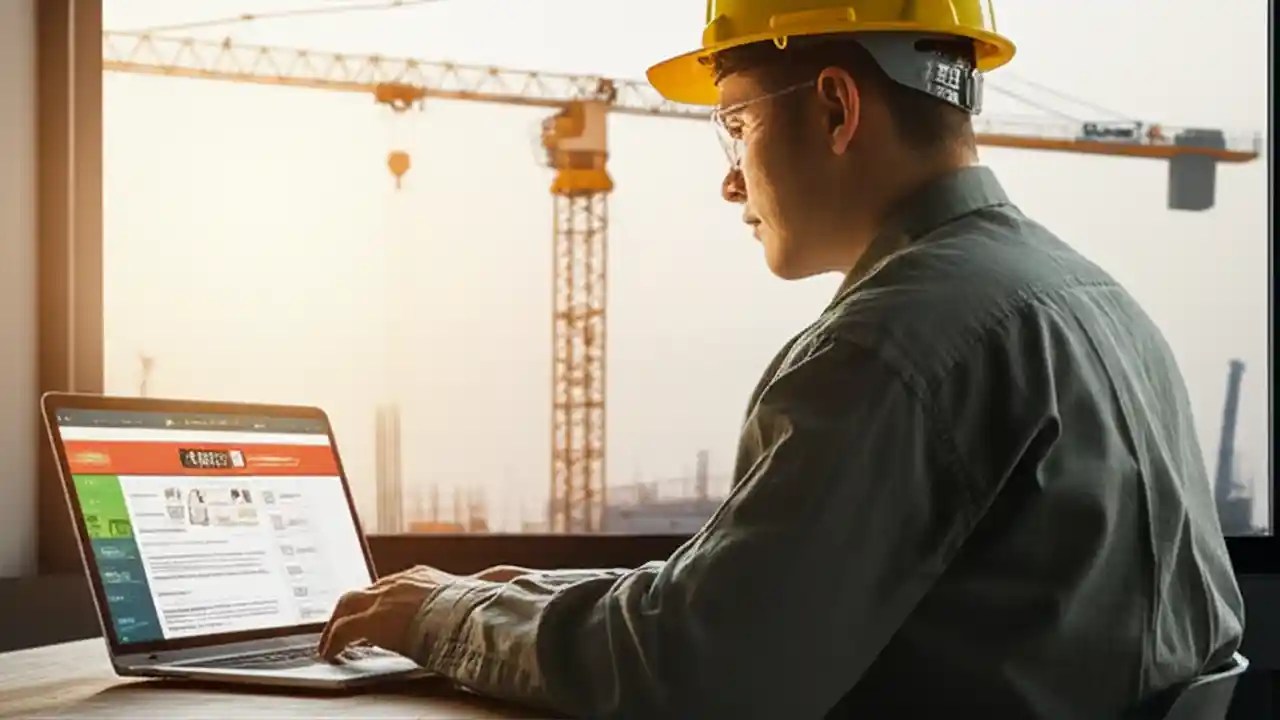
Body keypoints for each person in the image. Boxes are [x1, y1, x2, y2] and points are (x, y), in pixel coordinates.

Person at [320, 2, 1245, 717]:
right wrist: (521, 595)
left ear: (838, 106)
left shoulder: (890, 350)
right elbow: (759, 597)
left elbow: (699, 671)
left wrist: (442, 619)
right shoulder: (1093, 304)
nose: (730, 180)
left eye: (737, 124)